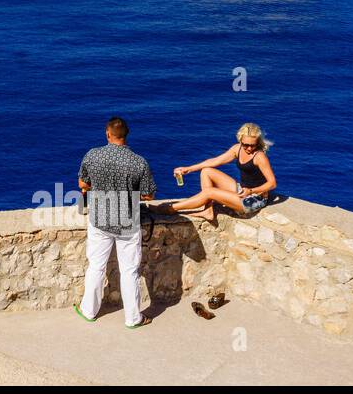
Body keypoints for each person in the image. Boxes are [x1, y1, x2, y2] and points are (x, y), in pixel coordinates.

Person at [74, 116, 157, 328]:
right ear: (126, 135)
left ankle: (89, 310)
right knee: (129, 270)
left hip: (100, 219)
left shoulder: (93, 155)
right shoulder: (138, 162)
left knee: (96, 266)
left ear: (108, 134)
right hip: (128, 221)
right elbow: (149, 196)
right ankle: (133, 318)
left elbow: (83, 183)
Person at [163, 122, 277, 224]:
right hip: (242, 190)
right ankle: (208, 210)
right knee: (206, 171)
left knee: (209, 192)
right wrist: (189, 169)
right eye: (245, 144)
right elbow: (214, 161)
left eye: (253, 145)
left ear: (258, 142)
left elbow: (272, 183)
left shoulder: (260, 157)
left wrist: (251, 191)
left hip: (254, 199)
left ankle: (171, 209)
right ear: (240, 140)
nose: (249, 148)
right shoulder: (237, 149)